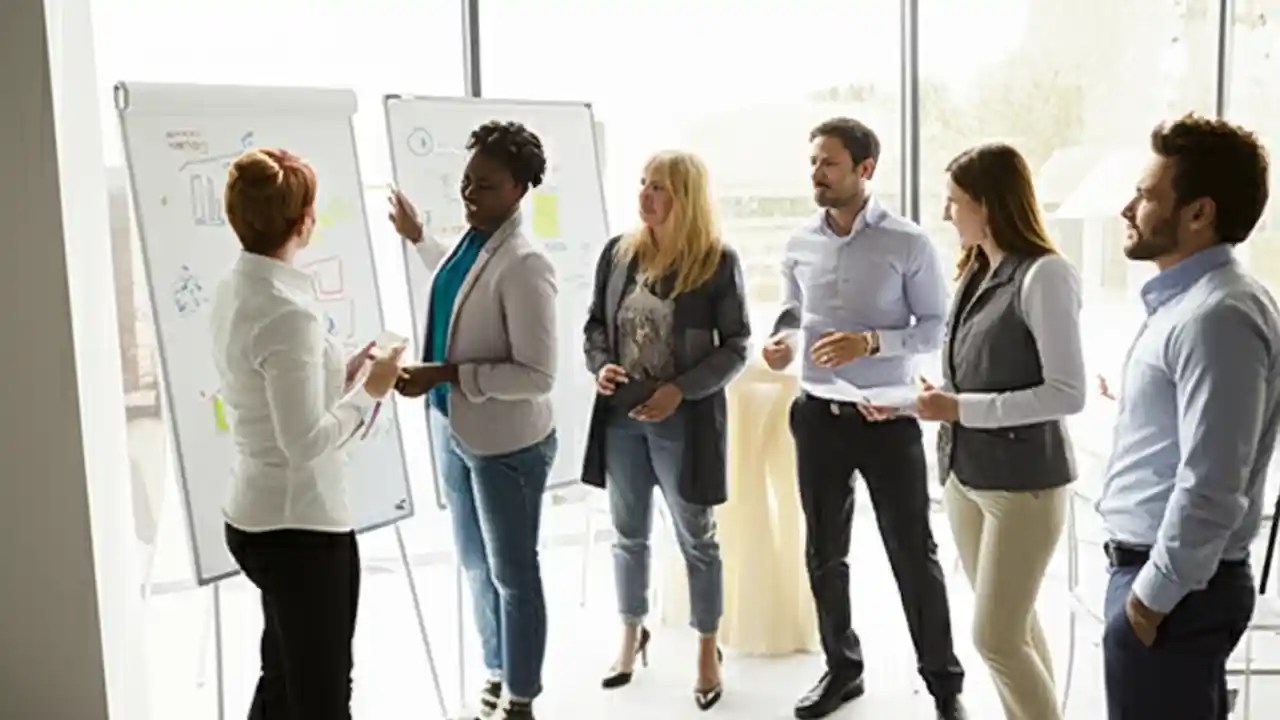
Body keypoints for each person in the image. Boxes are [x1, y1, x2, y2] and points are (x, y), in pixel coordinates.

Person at [762, 117, 966, 720]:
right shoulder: (799, 241)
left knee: (913, 553)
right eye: (813, 162)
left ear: (865, 169)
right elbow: (792, 311)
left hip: (887, 419)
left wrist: (871, 343)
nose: (816, 174)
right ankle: (841, 670)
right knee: (824, 551)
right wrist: (781, 341)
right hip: (817, 415)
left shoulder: (909, 242)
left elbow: (935, 328)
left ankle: (944, 686)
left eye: (828, 163)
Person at [885, 143, 1086, 720]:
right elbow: (967, 378)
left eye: (955, 202)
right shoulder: (978, 269)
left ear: (989, 205)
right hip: (966, 476)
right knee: (1014, 628)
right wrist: (910, 402)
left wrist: (960, 409)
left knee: (995, 638)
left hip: (1023, 486)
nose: (948, 214)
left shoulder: (1045, 275)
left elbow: (1064, 393)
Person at [211, 148, 405, 720]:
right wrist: (372, 390)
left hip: (255, 515)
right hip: (300, 526)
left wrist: (341, 370)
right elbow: (304, 442)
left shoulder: (237, 287)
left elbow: (271, 381)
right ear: (304, 222)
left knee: (281, 678)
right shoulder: (285, 311)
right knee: (321, 695)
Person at [1097, 113, 1279, 719]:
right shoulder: (1193, 305)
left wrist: (1149, 601)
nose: (1129, 208)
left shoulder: (1216, 316)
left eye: (1148, 195)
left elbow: (1213, 481)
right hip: (1167, 583)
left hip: (1173, 592)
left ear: (1198, 213)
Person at [387, 120, 557, 720]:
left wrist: (446, 375)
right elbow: (458, 288)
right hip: (454, 430)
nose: (470, 194)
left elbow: (538, 375)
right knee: (474, 561)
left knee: (513, 573)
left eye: (484, 186)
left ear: (518, 189)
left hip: (507, 444)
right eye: (466, 182)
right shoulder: (472, 241)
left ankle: (522, 696)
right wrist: (417, 238)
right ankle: (496, 667)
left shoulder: (526, 264)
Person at [581, 150, 750, 712]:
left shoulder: (716, 262)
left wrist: (680, 389)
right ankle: (631, 635)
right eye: (643, 184)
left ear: (687, 198)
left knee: (697, 539)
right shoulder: (618, 254)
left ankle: (707, 649)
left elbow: (736, 346)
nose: (646, 196)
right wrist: (600, 364)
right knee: (627, 535)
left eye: (660, 188)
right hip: (622, 419)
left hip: (685, 420)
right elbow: (594, 327)